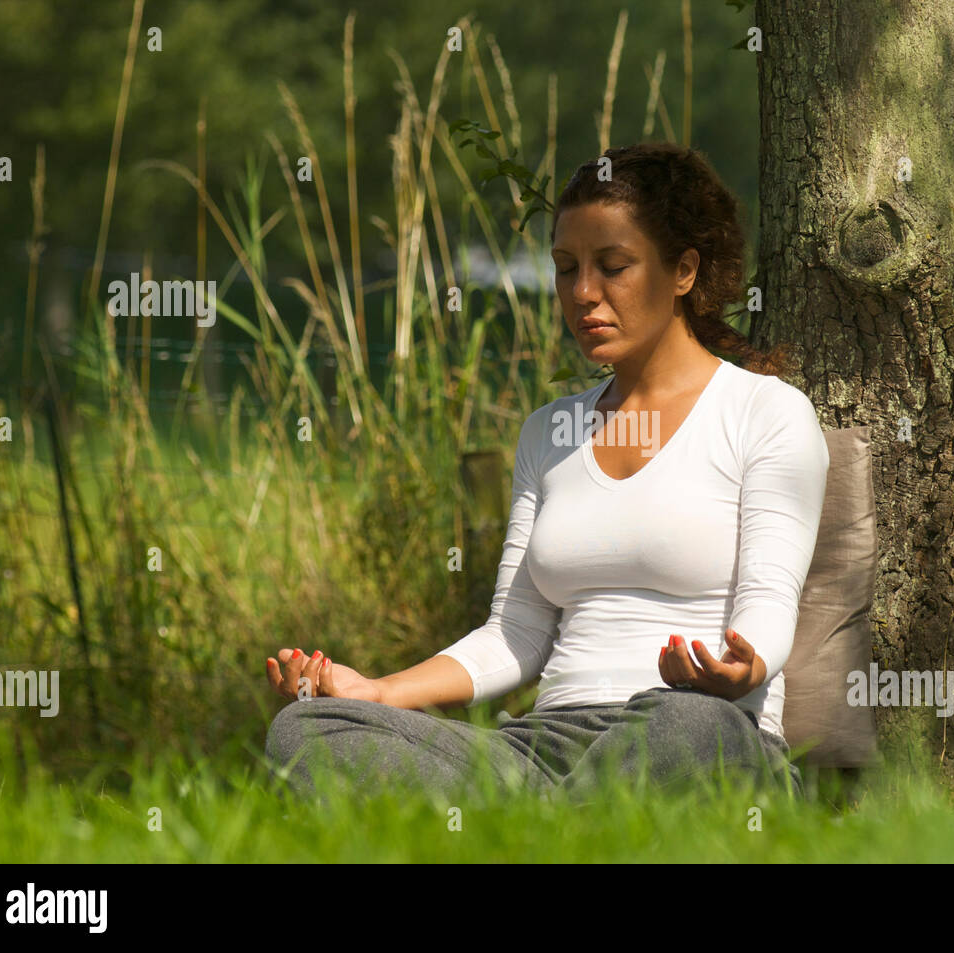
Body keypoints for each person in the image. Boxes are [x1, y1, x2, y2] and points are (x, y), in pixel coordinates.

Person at [264, 142, 829, 804]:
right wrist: (376, 691)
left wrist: (743, 666)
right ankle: (559, 823)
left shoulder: (766, 412)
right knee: (307, 729)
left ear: (683, 271)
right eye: (566, 269)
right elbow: (516, 633)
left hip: (703, 727)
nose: (583, 293)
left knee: (687, 726)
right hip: (541, 750)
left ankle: (526, 831)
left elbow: (769, 594)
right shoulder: (549, 432)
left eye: (613, 266)